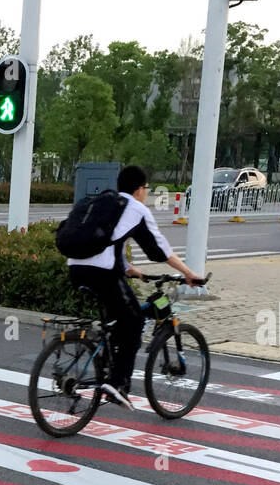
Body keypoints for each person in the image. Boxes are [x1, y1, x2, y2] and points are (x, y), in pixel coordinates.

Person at [67, 165, 206, 408]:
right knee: (134, 322)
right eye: (146, 189)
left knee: (118, 319)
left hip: (76, 269)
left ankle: (105, 365)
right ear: (140, 189)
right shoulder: (136, 208)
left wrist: (131, 270)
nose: (146, 193)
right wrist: (188, 274)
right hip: (103, 274)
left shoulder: (106, 203)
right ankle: (118, 384)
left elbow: (109, 242)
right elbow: (159, 249)